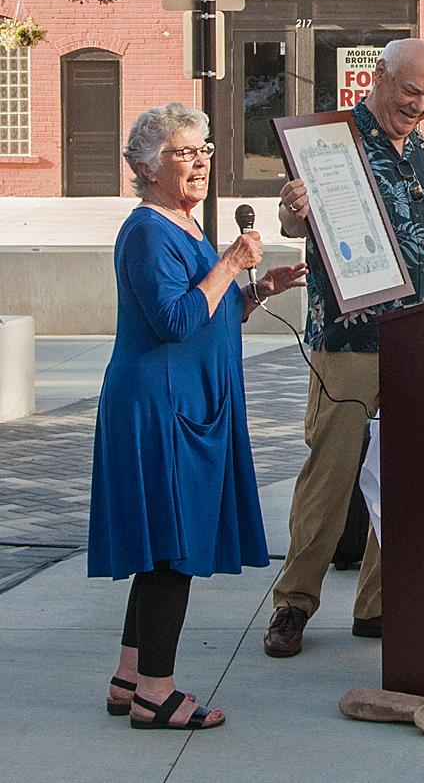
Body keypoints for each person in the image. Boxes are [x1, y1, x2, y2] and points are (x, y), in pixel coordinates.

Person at [88, 102, 305, 731]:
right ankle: (158, 693)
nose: (200, 162)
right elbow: (175, 321)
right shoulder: (147, 231)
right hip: (160, 408)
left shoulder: (182, 225)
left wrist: (257, 290)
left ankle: (130, 677)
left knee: (163, 542)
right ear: (145, 167)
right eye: (183, 153)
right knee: (171, 550)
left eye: (204, 149)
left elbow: (204, 309)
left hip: (186, 401)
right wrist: (233, 263)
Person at [263, 37, 424, 657]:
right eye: (411, 91)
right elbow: (294, 223)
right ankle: (293, 605)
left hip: (423, 339)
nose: (420, 105)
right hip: (349, 341)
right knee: (331, 474)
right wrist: (293, 213)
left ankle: (378, 606)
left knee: (402, 476)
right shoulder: (328, 143)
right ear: (379, 77)